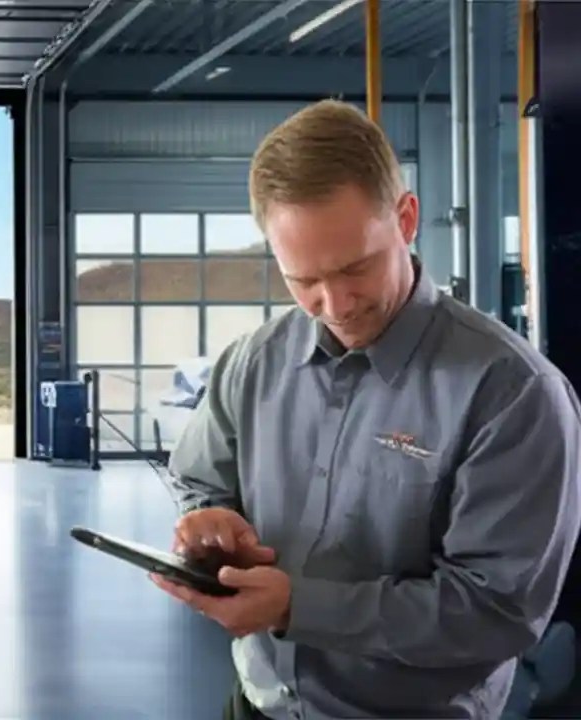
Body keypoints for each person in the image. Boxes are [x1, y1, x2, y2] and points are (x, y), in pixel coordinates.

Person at [149, 98, 581, 719]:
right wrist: (208, 520)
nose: (336, 304)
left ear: (406, 219)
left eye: (357, 268)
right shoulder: (253, 361)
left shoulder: (513, 393)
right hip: (258, 705)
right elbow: (198, 480)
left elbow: (495, 612)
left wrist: (296, 607)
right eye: (303, 280)